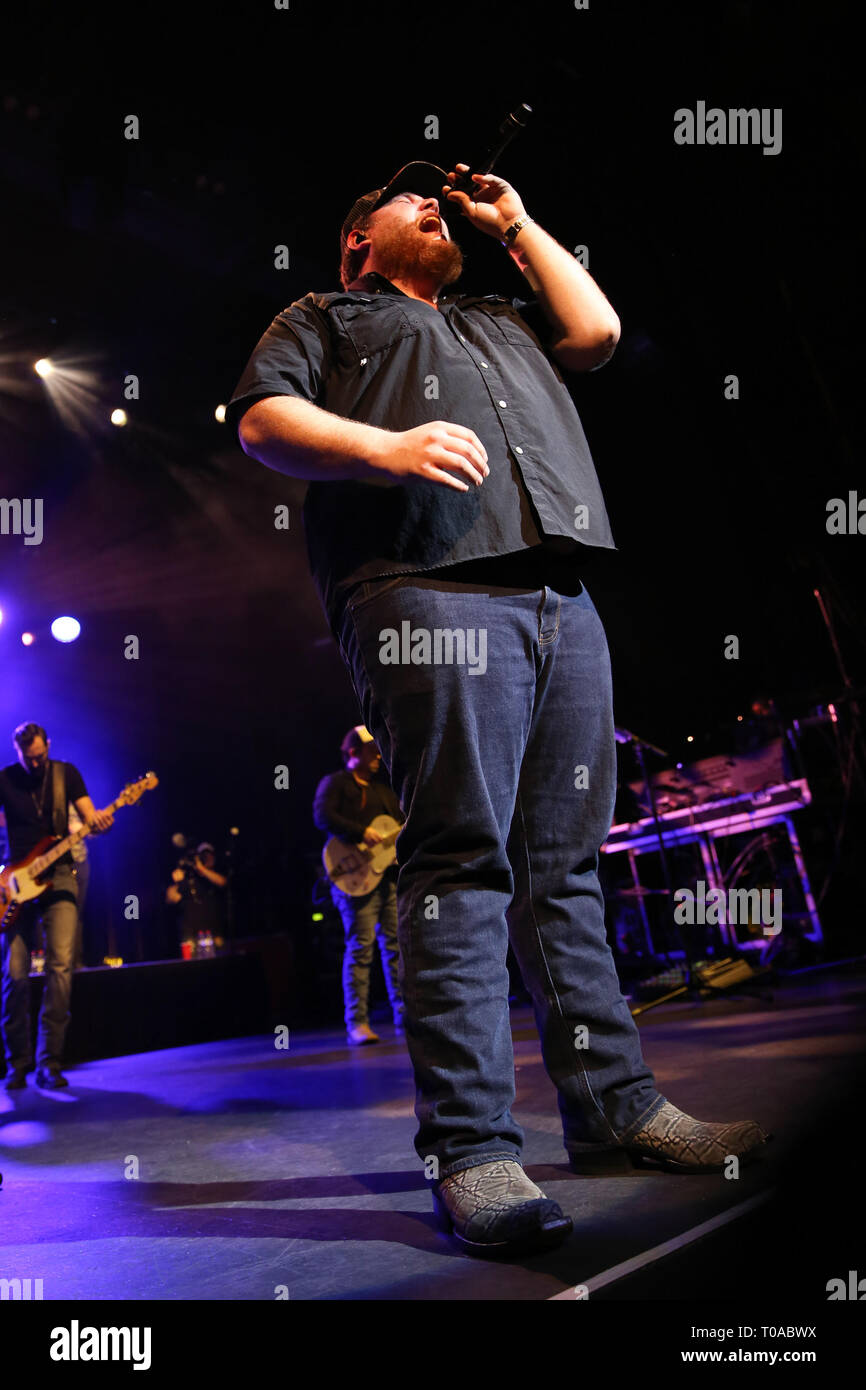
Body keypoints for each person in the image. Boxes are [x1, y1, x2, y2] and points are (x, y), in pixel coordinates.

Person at [227, 160, 770, 1256]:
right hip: (425, 589)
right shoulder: (325, 314)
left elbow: (599, 332)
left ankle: (615, 1110)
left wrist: (517, 224)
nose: (434, 203)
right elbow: (261, 421)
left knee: (565, 865)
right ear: (356, 244)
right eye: (407, 199)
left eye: (443, 198)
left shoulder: (497, 311)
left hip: (557, 592)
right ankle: (474, 1149)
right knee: (461, 861)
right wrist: (384, 446)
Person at [0, 722, 113, 1089]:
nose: (36, 764)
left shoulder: (67, 773)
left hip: (60, 875)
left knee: (61, 966)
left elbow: (90, 816)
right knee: (15, 975)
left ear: (47, 745)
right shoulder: (5, 780)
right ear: (18, 752)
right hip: (15, 883)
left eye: (40, 755)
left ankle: (50, 1062)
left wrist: (101, 823)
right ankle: (17, 1062)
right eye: (29, 759)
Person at [313, 725, 405, 1044]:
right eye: (371, 750)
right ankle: (357, 1022)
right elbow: (323, 817)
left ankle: (404, 1014)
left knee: (395, 946)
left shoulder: (383, 791)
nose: (378, 755)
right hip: (353, 878)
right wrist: (359, 832)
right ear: (353, 753)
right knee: (361, 947)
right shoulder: (335, 784)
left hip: (386, 878)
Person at [165, 842, 228, 956]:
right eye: (203, 856)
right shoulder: (188, 880)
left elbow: (222, 882)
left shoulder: (213, 876)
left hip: (214, 935)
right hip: (191, 937)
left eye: (209, 855)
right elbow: (171, 898)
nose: (207, 858)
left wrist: (202, 869)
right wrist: (178, 882)